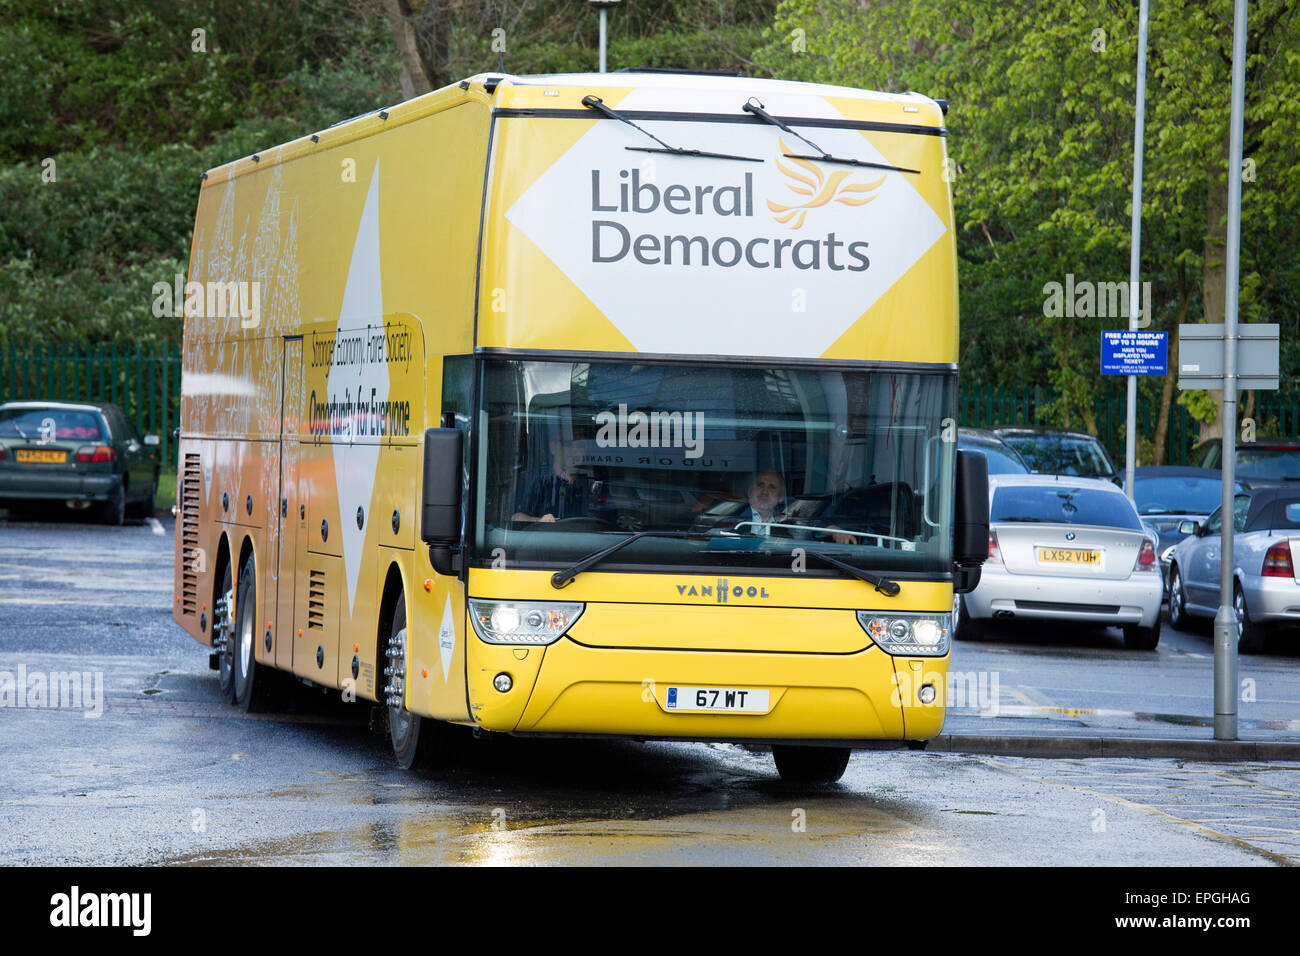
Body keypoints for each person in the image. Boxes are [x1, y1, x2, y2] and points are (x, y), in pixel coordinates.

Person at [511, 440, 611, 524]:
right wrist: (540, 520)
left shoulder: (596, 485)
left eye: (580, 446)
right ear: (553, 447)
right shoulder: (533, 479)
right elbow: (514, 517)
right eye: (568, 444)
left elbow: (610, 524)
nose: (575, 450)